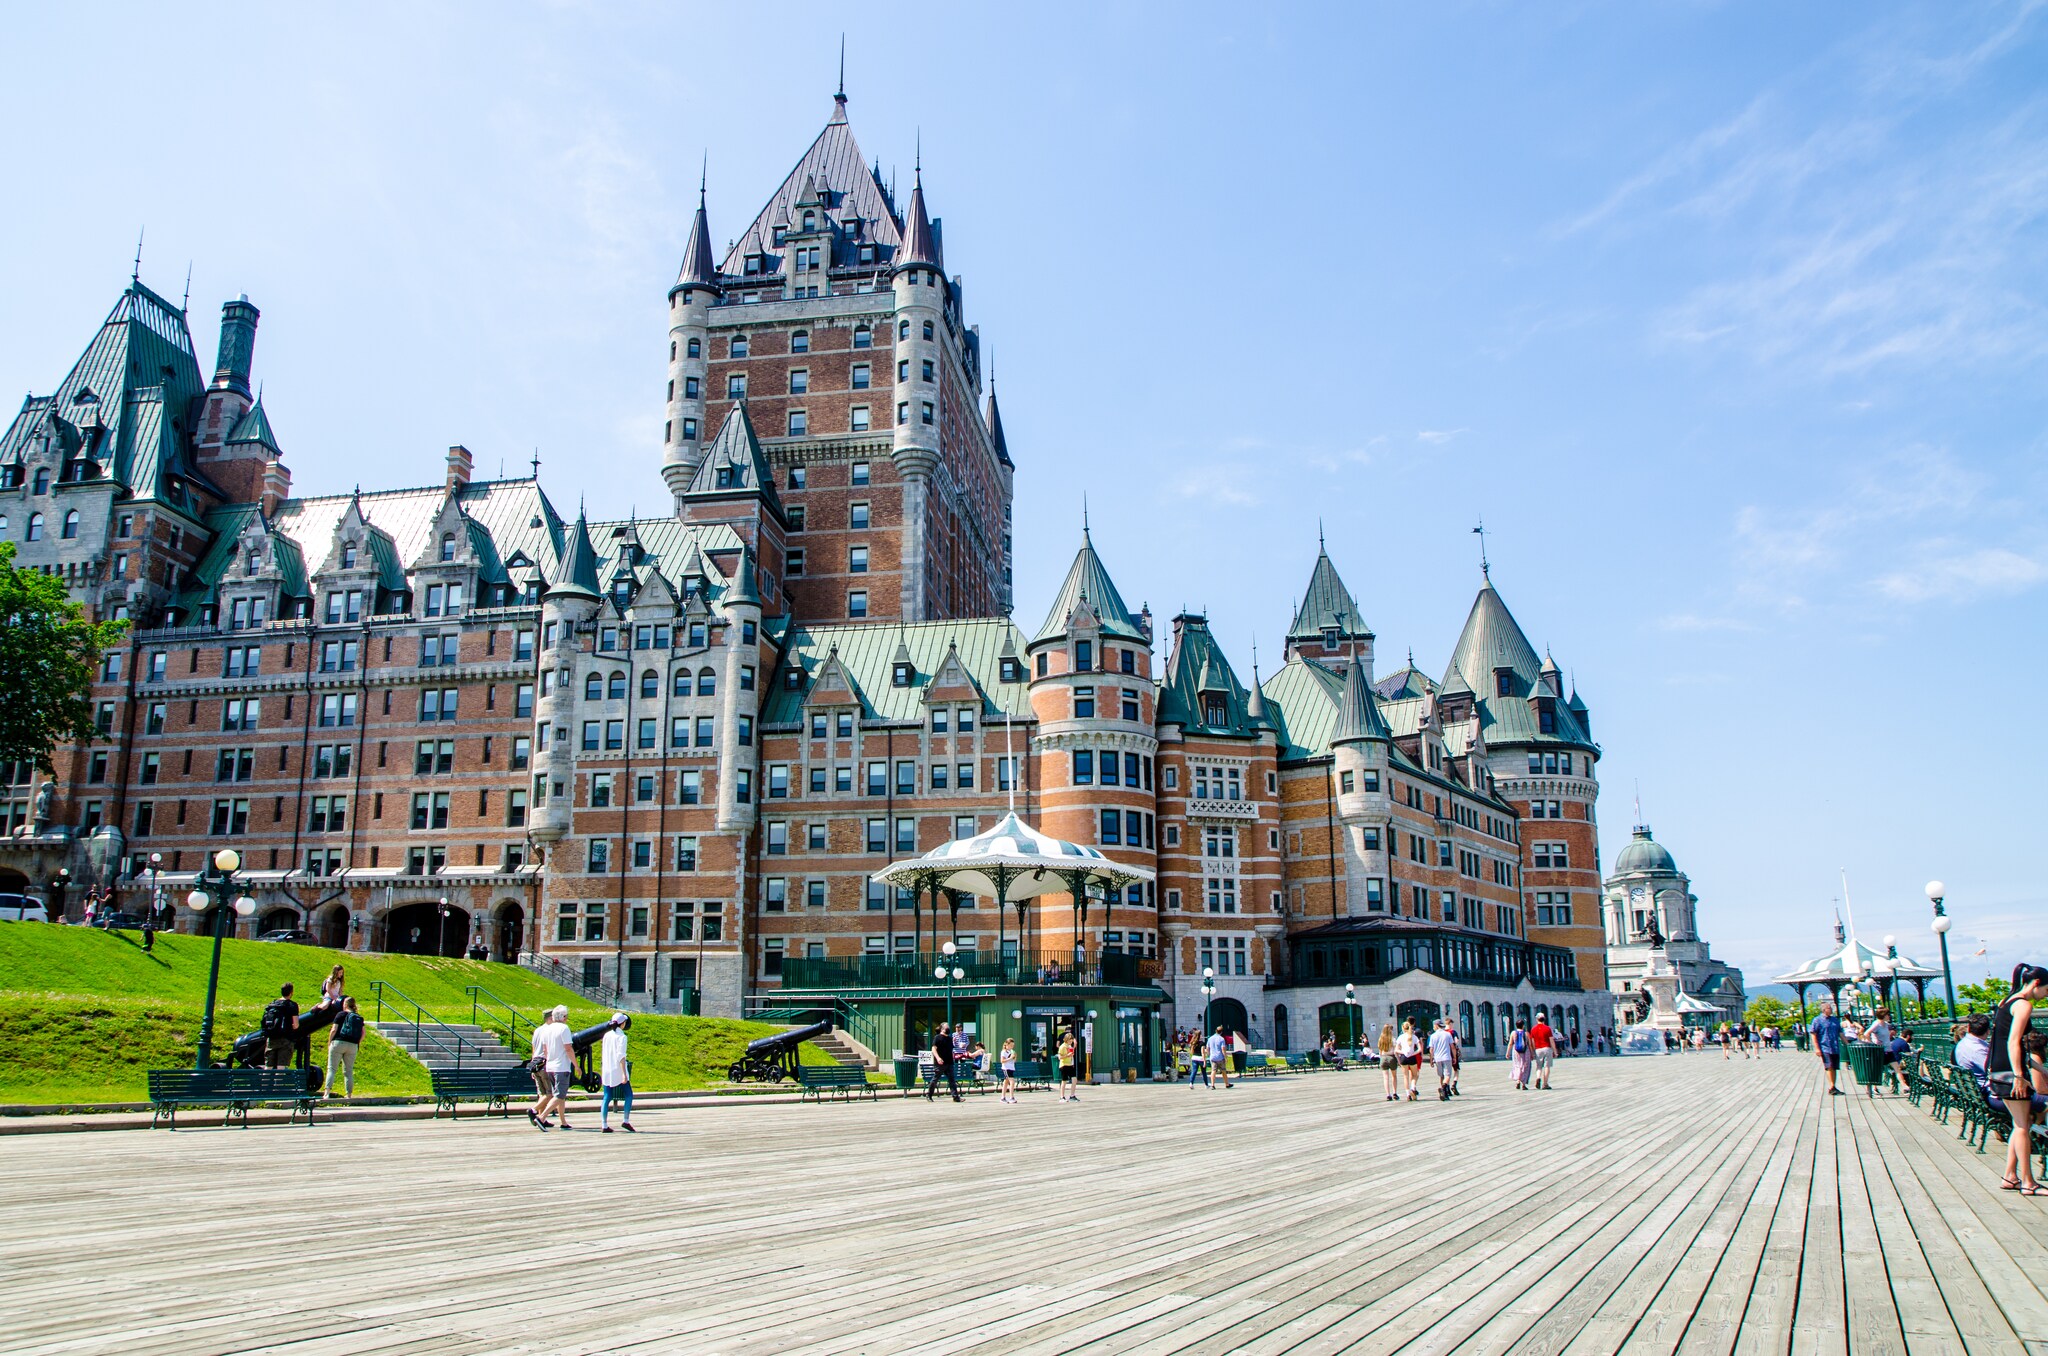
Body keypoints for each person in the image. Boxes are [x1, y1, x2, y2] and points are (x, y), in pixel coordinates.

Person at [1988, 963, 2048, 1195]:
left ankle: (2011, 1176)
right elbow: (2014, 1042)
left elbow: (2008, 1042)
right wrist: (2019, 1076)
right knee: (2023, 1126)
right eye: (2046, 990)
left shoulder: (2008, 1001)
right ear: (2035, 984)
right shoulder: (2024, 1005)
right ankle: (2028, 1182)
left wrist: (2039, 1069)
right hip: (2010, 1074)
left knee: (2018, 1124)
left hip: (2000, 1070)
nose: (2045, 996)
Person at [531, 1005, 575, 1131]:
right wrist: (576, 1065)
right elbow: (568, 1048)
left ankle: (563, 1121)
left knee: (550, 1093)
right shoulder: (563, 1028)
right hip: (558, 1066)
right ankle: (540, 1116)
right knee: (557, 1095)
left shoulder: (543, 1030)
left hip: (545, 1065)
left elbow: (540, 1049)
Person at [600, 1013, 634, 1133]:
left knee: (607, 1096)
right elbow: (621, 1056)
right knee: (629, 1094)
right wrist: (624, 1073)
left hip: (607, 1068)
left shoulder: (606, 1035)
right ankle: (626, 1120)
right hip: (617, 1069)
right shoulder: (622, 1037)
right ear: (622, 1024)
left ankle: (604, 1124)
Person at [325, 997, 364, 1098]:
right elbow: (363, 1033)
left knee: (332, 1069)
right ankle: (349, 1094)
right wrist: (357, 1042)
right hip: (353, 1045)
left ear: (345, 1005)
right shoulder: (358, 1017)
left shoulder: (341, 1014)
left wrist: (330, 1042)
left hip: (338, 1042)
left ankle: (327, 1093)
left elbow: (334, 1030)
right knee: (348, 1071)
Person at [261, 983, 300, 1068]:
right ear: (291, 992)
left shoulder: (272, 1004)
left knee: (268, 1067)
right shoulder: (292, 1005)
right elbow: (296, 1025)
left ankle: (265, 1081)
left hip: (271, 1038)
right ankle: (278, 1082)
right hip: (285, 1039)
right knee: (281, 1068)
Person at [1810, 1001, 1844, 1096]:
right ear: (1824, 1010)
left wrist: (1846, 1043)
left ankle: (1834, 1086)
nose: (1831, 1009)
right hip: (1825, 1046)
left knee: (1835, 1067)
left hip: (1835, 1046)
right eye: (1829, 1008)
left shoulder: (1835, 1020)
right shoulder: (1817, 1020)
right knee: (1829, 1066)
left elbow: (1840, 1032)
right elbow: (1813, 1034)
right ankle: (1831, 1086)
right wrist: (1817, 1048)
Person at [1953, 1014, 1992, 1091]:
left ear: (1968, 1028)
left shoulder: (1962, 1043)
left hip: (1972, 1090)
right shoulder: (1978, 1049)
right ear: (1988, 1031)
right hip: (1985, 1093)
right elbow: (1994, 1072)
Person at [927, 1022, 960, 1102]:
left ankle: (955, 1097)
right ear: (942, 1029)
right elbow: (933, 1049)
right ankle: (929, 1095)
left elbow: (950, 1050)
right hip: (940, 1063)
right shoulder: (937, 1038)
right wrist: (938, 1058)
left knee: (952, 1080)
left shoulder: (949, 1039)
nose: (948, 1028)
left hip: (949, 1062)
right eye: (946, 1027)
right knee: (935, 1079)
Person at [1427, 1019, 1457, 1100]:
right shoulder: (1447, 1034)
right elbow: (1452, 1047)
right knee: (1447, 1075)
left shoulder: (1432, 1036)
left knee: (1441, 1076)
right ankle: (1443, 1088)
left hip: (1437, 1058)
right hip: (1446, 1057)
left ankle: (1443, 1092)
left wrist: (1431, 1059)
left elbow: (1431, 1049)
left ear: (1436, 1025)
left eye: (1434, 1026)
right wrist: (1454, 1057)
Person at [1394, 1020, 1423, 1101]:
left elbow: (1396, 1050)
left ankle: (1408, 1094)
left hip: (1404, 1057)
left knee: (1405, 1076)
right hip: (1412, 1057)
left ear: (1403, 1028)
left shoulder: (1400, 1037)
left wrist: (1403, 1053)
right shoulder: (1414, 1037)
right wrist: (1413, 1053)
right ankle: (1413, 1087)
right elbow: (1419, 1049)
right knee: (1415, 1074)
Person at [1529, 1013, 1556, 1090]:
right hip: (1547, 1048)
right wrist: (1555, 1051)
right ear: (1544, 1019)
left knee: (1539, 1066)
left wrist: (1534, 1050)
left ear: (1537, 1019)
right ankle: (1545, 1084)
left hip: (1538, 1049)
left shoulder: (1533, 1029)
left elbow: (1532, 1041)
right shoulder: (1547, 1028)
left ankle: (1538, 1077)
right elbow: (1551, 1040)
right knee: (1547, 1066)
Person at [1377, 1023, 1399, 1101]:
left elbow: (1380, 1051)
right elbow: (1396, 1051)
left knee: (1386, 1077)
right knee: (1394, 1076)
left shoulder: (1380, 1039)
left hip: (1383, 1057)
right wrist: (1398, 1060)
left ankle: (1388, 1094)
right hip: (1391, 1057)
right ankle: (1395, 1093)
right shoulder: (1392, 1039)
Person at [1058, 1029, 1080, 1102]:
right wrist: (1067, 1055)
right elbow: (1060, 1057)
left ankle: (1072, 1095)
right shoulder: (1062, 1046)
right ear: (1067, 1040)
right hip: (1064, 1065)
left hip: (1070, 1064)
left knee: (1074, 1079)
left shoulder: (1070, 1046)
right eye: (1070, 1040)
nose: (1071, 1041)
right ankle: (1062, 1097)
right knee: (1064, 1081)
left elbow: (1072, 1052)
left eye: (1071, 1040)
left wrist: (1074, 1046)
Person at [1206, 1026, 1230, 1091]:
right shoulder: (1221, 1039)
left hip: (1213, 1057)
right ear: (1221, 1032)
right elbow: (1223, 1049)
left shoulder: (1210, 1038)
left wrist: (1209, 1055)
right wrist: (1225, 1057)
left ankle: (1213, 1085)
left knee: (1213, 1071)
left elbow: (1207, 1048)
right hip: (1220, 1057)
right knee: (1223, 1071)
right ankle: (1227, 1084)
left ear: (1215, 1030)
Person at [999, 1037, 1018, 1103]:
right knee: (1012, 1081)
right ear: (1006, 1044)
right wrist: (1010, 1058)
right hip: (1006, 1068)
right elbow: (1002, 1061)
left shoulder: (1011, 1051)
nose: (1011, 1047)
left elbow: (1014, 1061)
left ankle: (1003, 1097)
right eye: (1010, 1045)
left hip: (1011, 1068)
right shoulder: (1003, 1052)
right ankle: (1011, 1097)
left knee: (1006, 1082)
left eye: (1013, 1046)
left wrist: (1015, 1057)